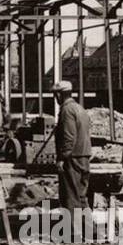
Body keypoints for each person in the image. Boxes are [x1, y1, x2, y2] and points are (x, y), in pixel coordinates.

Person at [51, 80, 92, 215]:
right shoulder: (79, 108)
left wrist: (62, 158)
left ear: (59, 95)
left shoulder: (67, 110)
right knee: (81, 196)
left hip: (72, 158)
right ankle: (89, 231)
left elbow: (69, 137)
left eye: (55, 95)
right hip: (84, 156)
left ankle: (74, 233)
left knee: (71, 198)